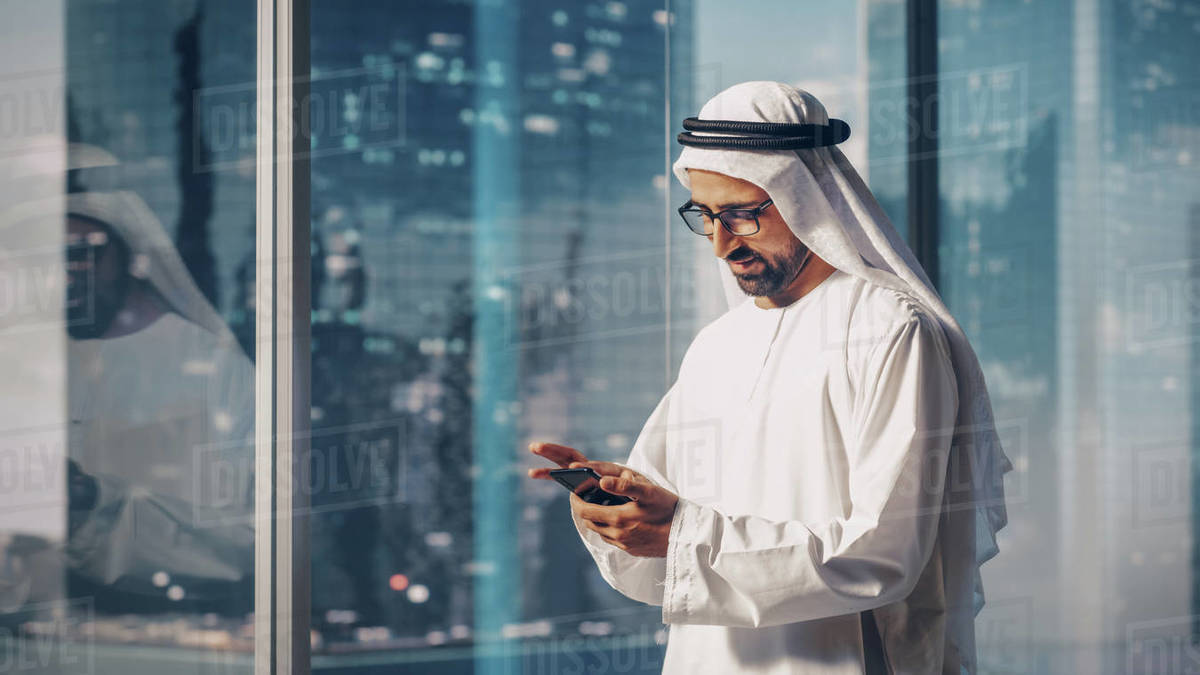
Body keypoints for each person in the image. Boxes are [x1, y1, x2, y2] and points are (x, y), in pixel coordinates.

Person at [528, 82, 1011, 674]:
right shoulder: (717, 344)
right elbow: (666, 541)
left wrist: (683, 536)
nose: (721, 244)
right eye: (706, 216)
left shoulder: (889, 329)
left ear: (806, 196)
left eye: (741, 215)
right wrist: (619, 505)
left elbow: (884, 553)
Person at [0, 143, 255, 616]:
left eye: (80, 255)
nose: (62, 277)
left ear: (130, 253)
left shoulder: (212, 369)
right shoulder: (20, 364)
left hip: (167, 633)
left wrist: (90, 501)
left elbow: (244, 544)